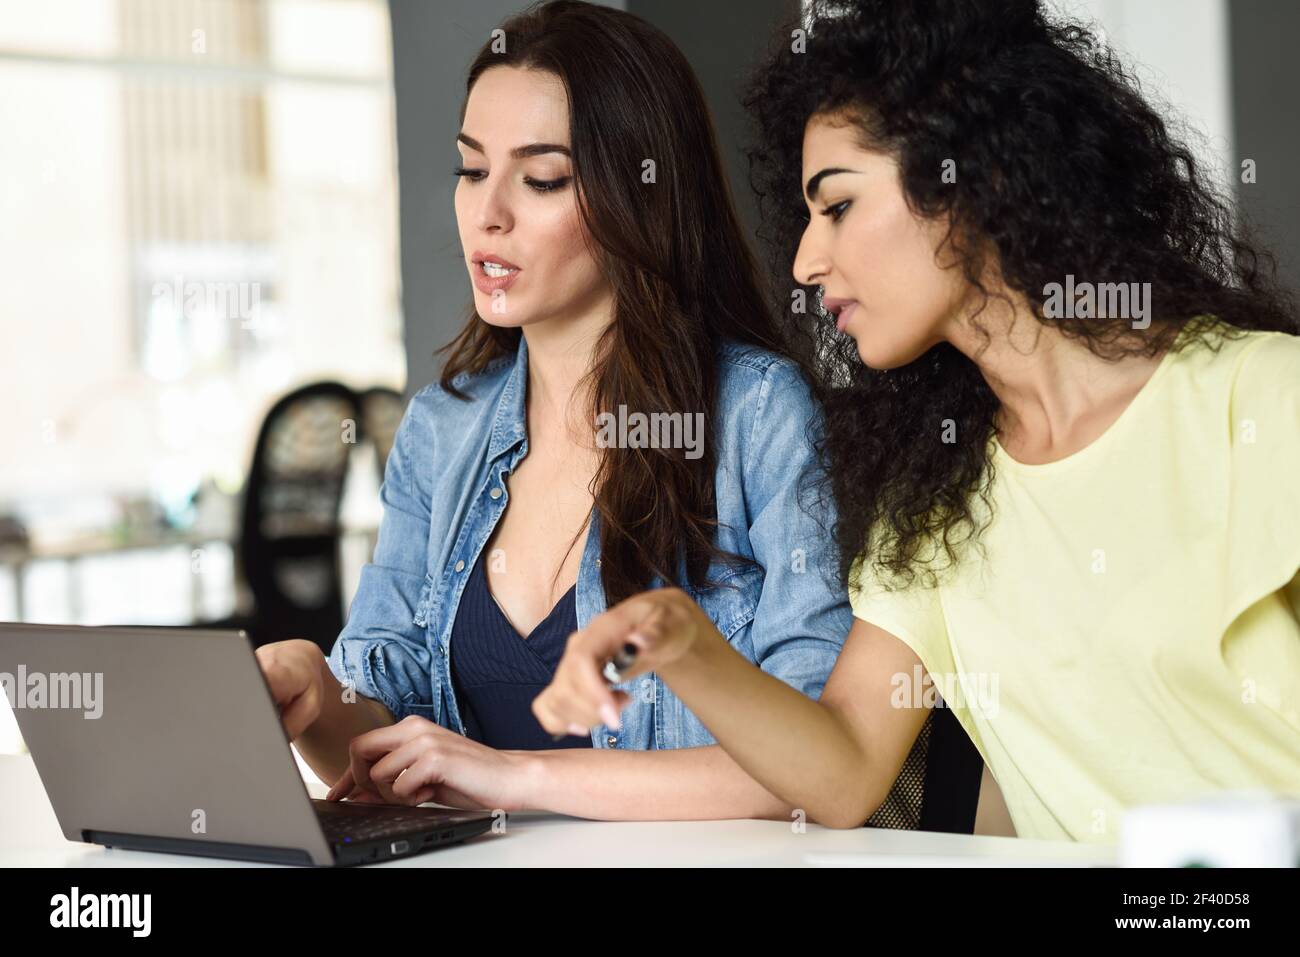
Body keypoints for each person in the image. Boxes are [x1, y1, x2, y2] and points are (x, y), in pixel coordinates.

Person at [534, 0, 1300, 841]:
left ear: (973, 181)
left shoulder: (1263, 402)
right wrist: (682, 640)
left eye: (839, 205)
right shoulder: (936, 498)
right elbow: (847, 771)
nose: (804, 259)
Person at [255, 0, 849, 821]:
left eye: (541, 179)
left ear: (638, 195)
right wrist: (315, 693)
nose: (487, 213)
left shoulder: (757, 415)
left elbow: (811, 766)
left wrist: (514, 776)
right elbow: (382, 738)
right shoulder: (441, 428)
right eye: (471, 169)